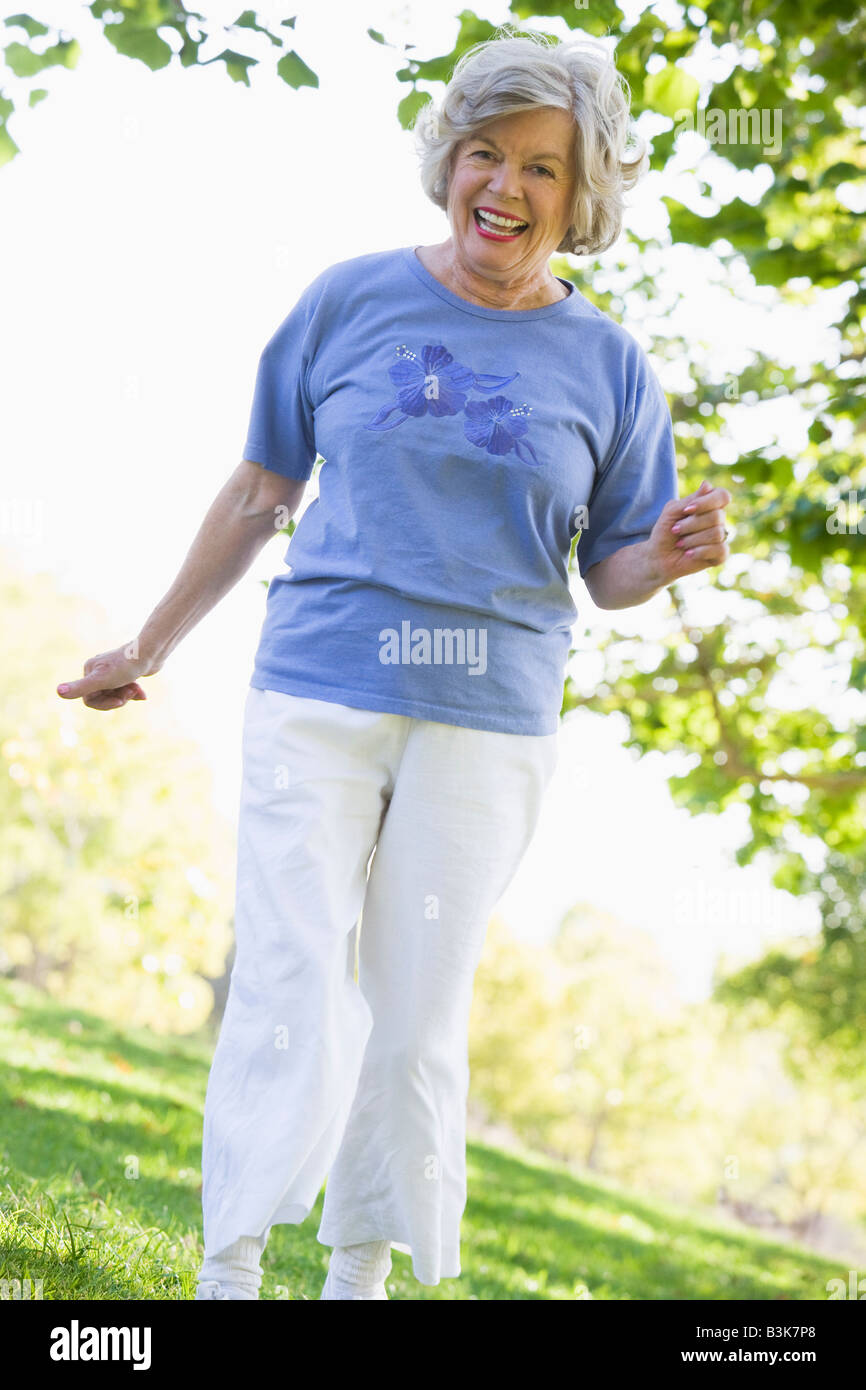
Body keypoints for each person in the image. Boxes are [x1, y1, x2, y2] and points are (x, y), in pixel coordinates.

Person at [56, 29, 730, 1300]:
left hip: (487, 719)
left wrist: (668, 556)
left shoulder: (609, 366)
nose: (507, 188)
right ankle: (229, 1268)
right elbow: (263, 484)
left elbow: (613, 571)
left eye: (542, 166)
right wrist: (146, 645)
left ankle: (357, 1276)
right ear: (448, 162)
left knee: (413, 1016)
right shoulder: (347, 299)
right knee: (293, 980)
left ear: (579, 197)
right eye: (485, 152)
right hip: (317, 687)